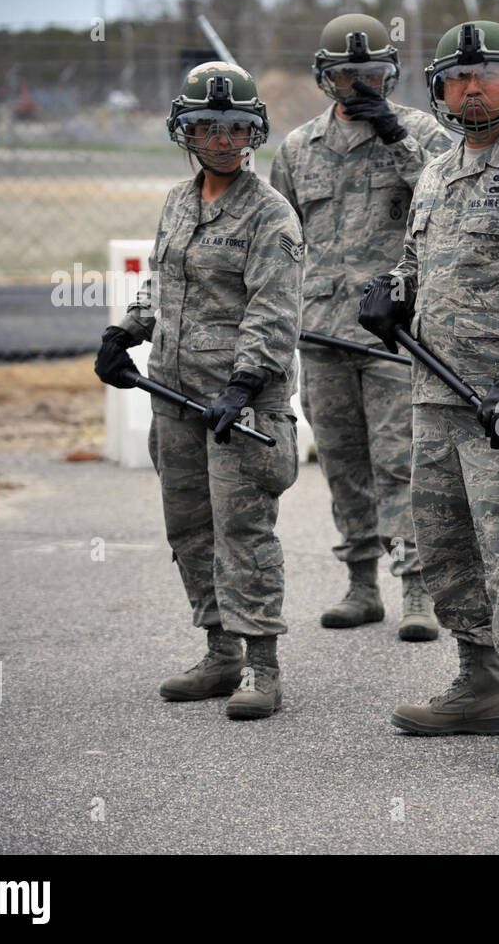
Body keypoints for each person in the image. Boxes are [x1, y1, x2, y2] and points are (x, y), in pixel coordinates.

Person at [358, 21, 499, 772]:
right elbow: (414, 259)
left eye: (486, 74)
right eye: (457, 77)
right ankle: (479, 680)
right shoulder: (438, 170)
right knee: (444, 544)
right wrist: (392, 295)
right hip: (434, 389)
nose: (471, 87)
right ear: (440, 91)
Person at [95, 62, 302, 719]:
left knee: (244, 530)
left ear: (254, 135)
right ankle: (220, 652)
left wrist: (243, 382)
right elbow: (164, 282)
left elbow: (274, 309)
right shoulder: (179, 202)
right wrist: (125, 329)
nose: (222, 140)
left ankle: (262, 664)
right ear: (185, 132)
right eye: (207, 127)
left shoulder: (271, 215)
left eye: (237, 129)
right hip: (176, 395)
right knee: (189, 527)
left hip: (242, 406)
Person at [270, 14, 452, 642]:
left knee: (401, 458)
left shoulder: (421, 132)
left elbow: (441, 197)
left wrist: (394, 132)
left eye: (370, 74)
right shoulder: (297, 149)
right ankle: (361, 583)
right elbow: (281, 238)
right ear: (324, 78)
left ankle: (418, 588)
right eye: (344, 75)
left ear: (390, 74)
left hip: (392, 330)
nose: (357, 85)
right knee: (342, 460)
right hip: (321, 330)